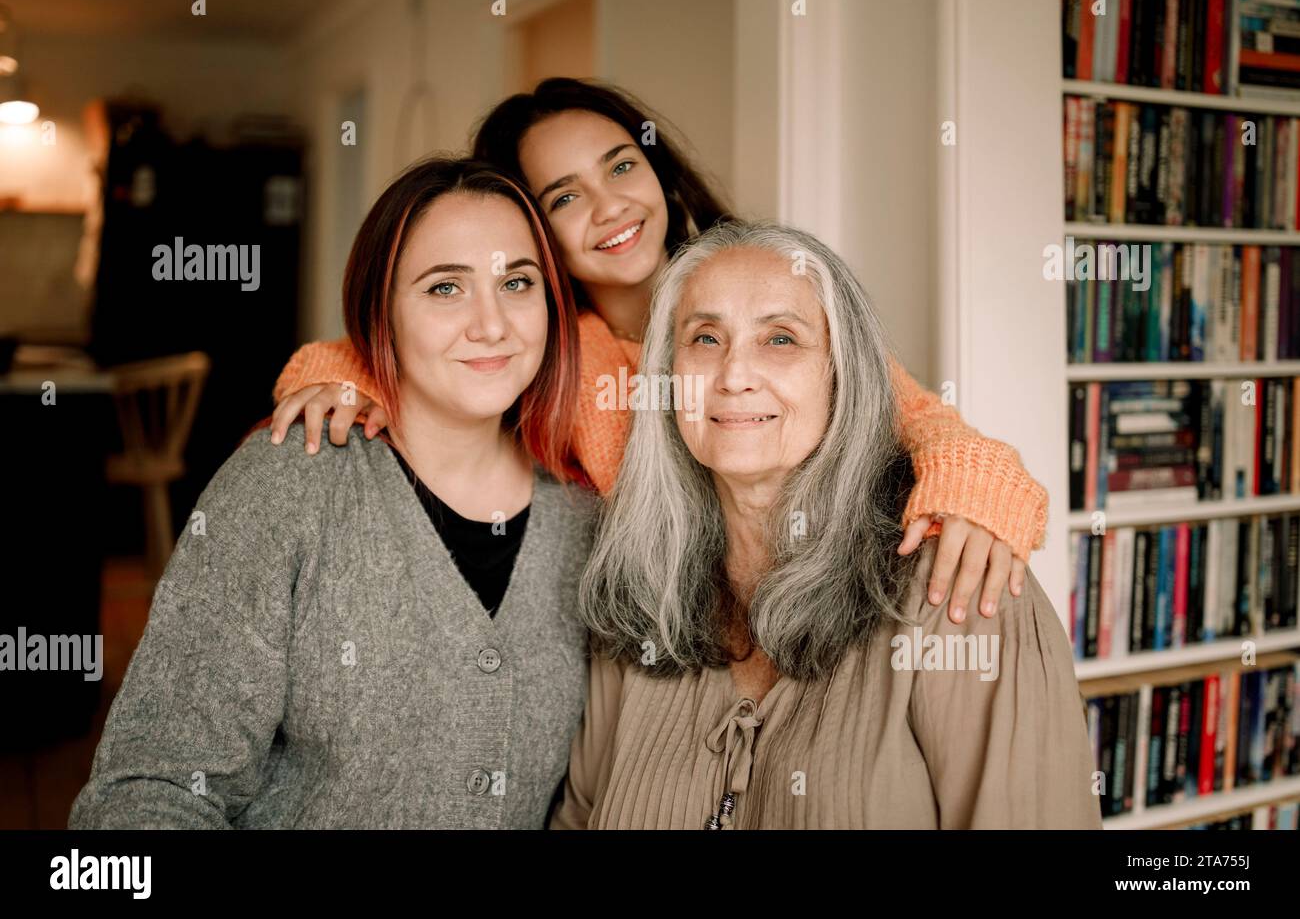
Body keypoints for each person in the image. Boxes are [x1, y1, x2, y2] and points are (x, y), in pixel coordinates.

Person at [269, 78, 1048, 626]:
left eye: (621, 167)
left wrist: (971, 488)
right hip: (677, 631)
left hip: (825, 597)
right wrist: (329, 375)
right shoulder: (549, 346)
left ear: (659, 174)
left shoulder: (758, 287)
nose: (610, 206)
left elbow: (916, 415)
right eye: (565, 197)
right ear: (530, 234)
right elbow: (389, 344)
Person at [70, 158, 596, 828]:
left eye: (517, 282)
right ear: (381, 312)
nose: (491, 324)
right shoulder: (288, 482)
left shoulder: (589, 525)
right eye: (445, 289)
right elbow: (153, 788)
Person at [550, 221, 1101, 829]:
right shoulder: (638, 592)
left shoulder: (962, 589)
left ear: (844, 376)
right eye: (705, 338)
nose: (734, 375)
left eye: (780, 339)